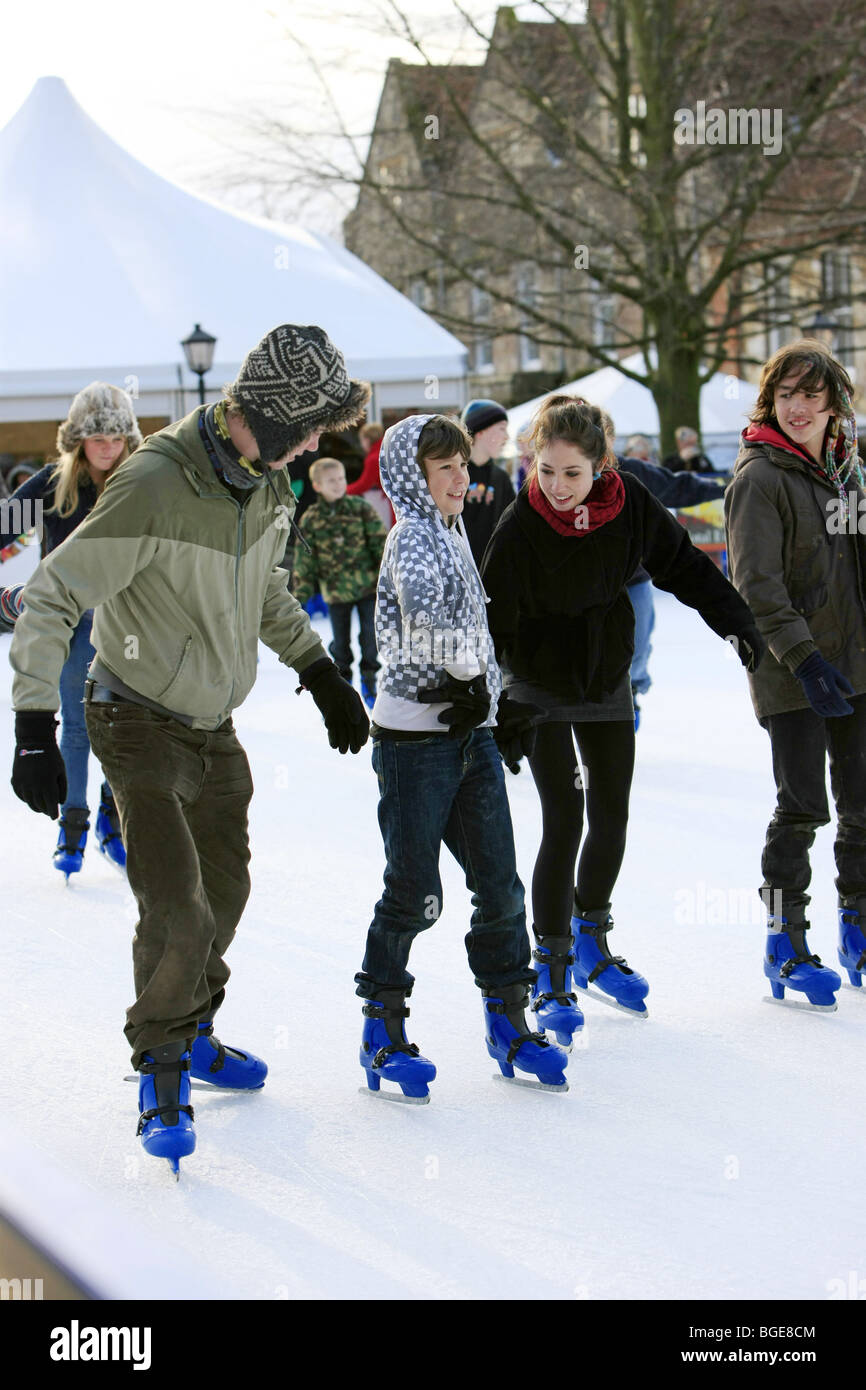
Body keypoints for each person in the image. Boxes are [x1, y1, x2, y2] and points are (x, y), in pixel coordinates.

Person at [9, 323, 372, 1175]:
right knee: (177, 905)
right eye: (315, 424)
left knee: (228, 890)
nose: (322, 442)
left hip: (212, 721)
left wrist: (320, 672)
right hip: (131, 715)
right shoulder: (153, 484)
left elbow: (266, 593)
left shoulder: (266, 482)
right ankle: (164, 1066)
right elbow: (52, 596)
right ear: (280, 413)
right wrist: (33, 727)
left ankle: (195, 1027)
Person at [480, 395, 765, 1041]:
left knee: (612, 810)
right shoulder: (522, 520)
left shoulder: (631, 502)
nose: (555, 486)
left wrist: (737, 623)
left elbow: (685, 567)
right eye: (545, 470)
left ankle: (592, 943)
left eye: (571, 473)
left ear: (602, 465)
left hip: (606, 670)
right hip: (540, 680)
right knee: (566, 815)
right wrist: (503, 705)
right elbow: (493, 619)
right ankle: (550, 970)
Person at [354, 413, 566, 1102]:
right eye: (442, 469)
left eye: (459, 465)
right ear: (409, 479)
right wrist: (466, 682)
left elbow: (474, 625)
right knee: (413, 891)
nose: (460, 478)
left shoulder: (449, 531)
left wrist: (493, 705)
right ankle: (381, 1030)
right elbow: (423, 623)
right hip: (415, 742)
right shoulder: (412, 538)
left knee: (501, 885)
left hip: (468, 733)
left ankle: (507, 1017)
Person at [724, 339, 866, 1011]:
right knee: (804, 806)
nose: (800, 407)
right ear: (770, 401)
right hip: (793, 671)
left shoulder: (848, 473)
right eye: (788, 395)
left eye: (813, 395)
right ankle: (786, 940)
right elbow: (756, 585)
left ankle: (858, 926)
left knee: (863, 804)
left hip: (857, 662)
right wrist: (805, 661)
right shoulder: (759, 478)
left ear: (834, 403)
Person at [0, 382, 141, 877]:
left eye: (116, 437)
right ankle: (72, 825)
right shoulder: (52, 484)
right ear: (77, 438)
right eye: (96, 436)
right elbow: (3, 527)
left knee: (126, 728)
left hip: (131, 624)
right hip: (73, 624)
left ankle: (114, 816)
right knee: (78, 727)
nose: (106, 447)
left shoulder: (141, 482)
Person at [616, 434, 728, 727]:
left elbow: (676, 485)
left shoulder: (630, 470)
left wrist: (722, 488)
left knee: (638, 643)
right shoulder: (564, 472)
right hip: (591, 581)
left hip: (634, 577)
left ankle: (634, 687)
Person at [292, 457, 388, 707]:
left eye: (341, 478)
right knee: (341, 645)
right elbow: (305, 560)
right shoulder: (311, 518)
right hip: (335, 593)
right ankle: (343, 684)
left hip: (367, 587)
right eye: (331, 480)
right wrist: (300, 595)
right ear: (317, 485)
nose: (338, 484)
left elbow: (380, 543)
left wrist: (387, 578)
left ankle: (369, 678)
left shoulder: (360, 507)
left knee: (370, 639)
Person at [458, 399, 516, 564]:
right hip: (460, 570)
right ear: (480, 432)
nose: (507, 437)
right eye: (501, 429)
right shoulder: (455, 475)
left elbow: (512, 527)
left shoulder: (501, 478)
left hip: (493, 571)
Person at [346, 421, 394, 528]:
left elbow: (364, 484)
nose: (362, 445)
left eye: (361, 441)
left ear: (367, 440)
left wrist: (344, 490)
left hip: (391, 501)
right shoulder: (386, 450)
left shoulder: (374, 458)